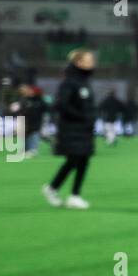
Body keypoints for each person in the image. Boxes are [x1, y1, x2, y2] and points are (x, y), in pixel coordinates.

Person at [43, 49, 98, 210]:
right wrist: (82, 117)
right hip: (72, 128)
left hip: (84, 128)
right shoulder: (69, 82)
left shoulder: (84, 82)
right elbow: (61, 105)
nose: (92, 62)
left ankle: (74, 195)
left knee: (83, 160)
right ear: (78, 62)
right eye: (89, 60)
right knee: (74, 160)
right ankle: (53, 188)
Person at [9, 83, 47, 158]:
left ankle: (31, 150)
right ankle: (26, 151)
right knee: (26, 138)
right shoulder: (23, 100)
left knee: (32, 137)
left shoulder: (36, 101)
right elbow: (18, 111)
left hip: (33, 123)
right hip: (26, 122)